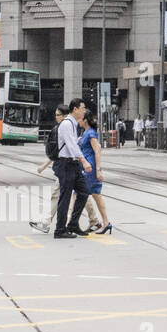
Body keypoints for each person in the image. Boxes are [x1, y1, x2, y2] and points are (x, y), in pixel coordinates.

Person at [52, 98, 93, 239]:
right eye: (82, 108)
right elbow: (70, 145)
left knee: (84, 192)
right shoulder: (67, 124)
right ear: (75, 109)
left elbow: (72, 143)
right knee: (65, 198)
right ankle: (60, 230)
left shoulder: (73, 124)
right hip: (66, 164)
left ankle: (73, 224)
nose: (84, 110)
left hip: (73, 165)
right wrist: (84, 161)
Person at [30, 106, 68, 235]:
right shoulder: (64, 129)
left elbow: (56, 151)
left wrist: (44, 166)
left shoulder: (61, 130)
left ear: (64, 116)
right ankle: (93, 220)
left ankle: (46, 223)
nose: (56, 117)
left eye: (58, 115)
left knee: (61, 195)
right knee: (80, 194)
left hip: (66, 168)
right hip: (65, 167)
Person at [79, 112, 113, 235]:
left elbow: (97, 151)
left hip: (90, 169)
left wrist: (98, 170)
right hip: (86, 167)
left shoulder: (91, 133)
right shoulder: (86, 133)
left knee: (93, 194)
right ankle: (103, 222)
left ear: (86, 121)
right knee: (93, 195)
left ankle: (104, 222)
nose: (79, 121)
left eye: (81, 119)